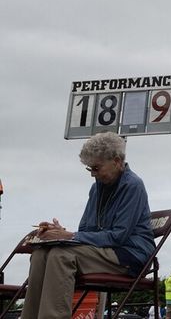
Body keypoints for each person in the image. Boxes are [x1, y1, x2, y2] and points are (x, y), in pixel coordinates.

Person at [19, 132, 155, 319]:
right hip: (107, 251)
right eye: (90, 169)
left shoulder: (133, 185)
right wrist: (60, 234)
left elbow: (117, 237)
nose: (92, 174)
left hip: (129, 254)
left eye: (96, 168)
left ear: (116, 161)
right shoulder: (97, 187)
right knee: (40, 254)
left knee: (60, 255)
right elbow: (85, 232)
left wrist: (69, 237)